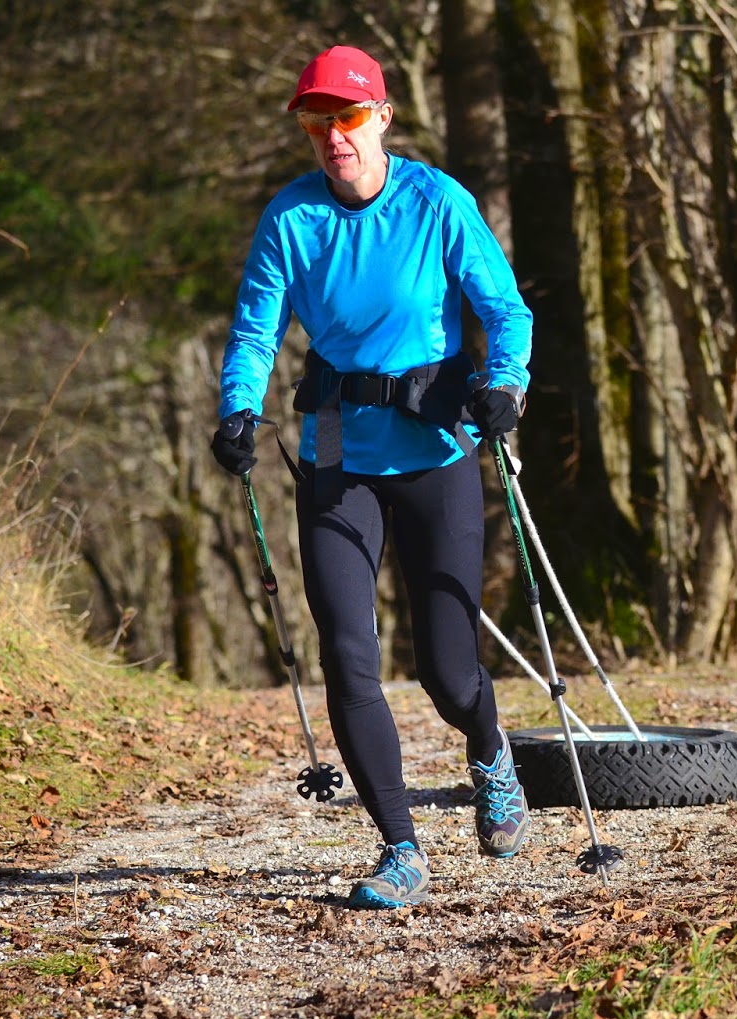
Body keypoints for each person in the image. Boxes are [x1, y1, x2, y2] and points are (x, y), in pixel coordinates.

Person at [209, 45, 533, 910]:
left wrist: (506, 384)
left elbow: (504, 309)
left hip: (435, 454)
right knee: (349, 655)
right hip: (337, 459)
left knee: (447, 672)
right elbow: (254, 332)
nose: (332, 138)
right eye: (317, 123)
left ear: (383, 118)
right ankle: (400, 847)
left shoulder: (435, 201)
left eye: (347, 119)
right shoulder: (291, 221)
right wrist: (238, 409)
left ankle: (490, 749)